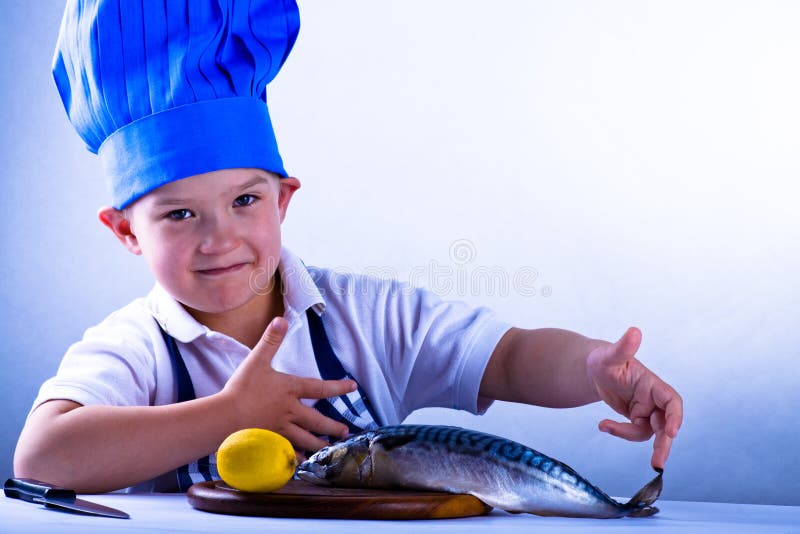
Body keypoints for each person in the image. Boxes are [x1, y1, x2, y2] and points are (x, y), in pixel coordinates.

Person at [14, 0, 682, 494]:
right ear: (126, 230)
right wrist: (228, 414)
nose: (219, 237)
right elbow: (42, 457)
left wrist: (593, 369)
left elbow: (506, 358)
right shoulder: (136, 349)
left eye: (245, 201)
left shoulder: (366, 317)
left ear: (284, 200)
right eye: (180, 213)